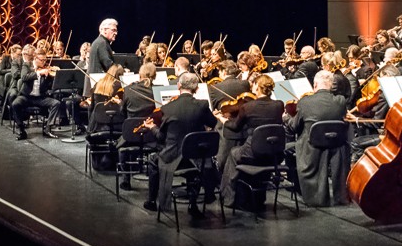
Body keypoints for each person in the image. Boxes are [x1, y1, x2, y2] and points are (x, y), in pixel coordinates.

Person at [143, 74, 217, 216]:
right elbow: (213, 124)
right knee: (191, 155)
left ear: (178, 86)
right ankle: (192, 204)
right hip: (196, 159)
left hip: (172, 159)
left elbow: (161, 137)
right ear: (196, 88)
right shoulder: (202, 105)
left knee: (153, 160)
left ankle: (152, 201)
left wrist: (152, 127)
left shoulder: (168, 108)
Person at [218, 74, 284, 208]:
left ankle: (228, 198)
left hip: (252, 152)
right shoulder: (279, 105)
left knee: (233, 153)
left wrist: (223, 119)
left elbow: (236, 127)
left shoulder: (248, 107)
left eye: (253, 84)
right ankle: (258, 196)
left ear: (258, 88)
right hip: (274, 153)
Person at [284, 70, 348, 206]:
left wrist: (287, 118)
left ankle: (307, 193)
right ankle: (340, 197)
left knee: (289, 148)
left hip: (313, 146)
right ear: (331, 85)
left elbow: (294, 127)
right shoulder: (340, 101)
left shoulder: (305, 102)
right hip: (336, 145)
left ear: (315, 85)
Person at [10, 53, 63, 140]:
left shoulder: (47, 70)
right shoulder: (27, 65)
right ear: (35, 59)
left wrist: (52, 77)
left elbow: (50, 86)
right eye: (42, 60)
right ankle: (21, 130)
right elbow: (24, 77)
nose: (44, 62)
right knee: (15, 104)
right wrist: (38, 73)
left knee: (56, 103)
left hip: (40, 98)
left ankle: (48, 128)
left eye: (45, 60)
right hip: (26, 96)